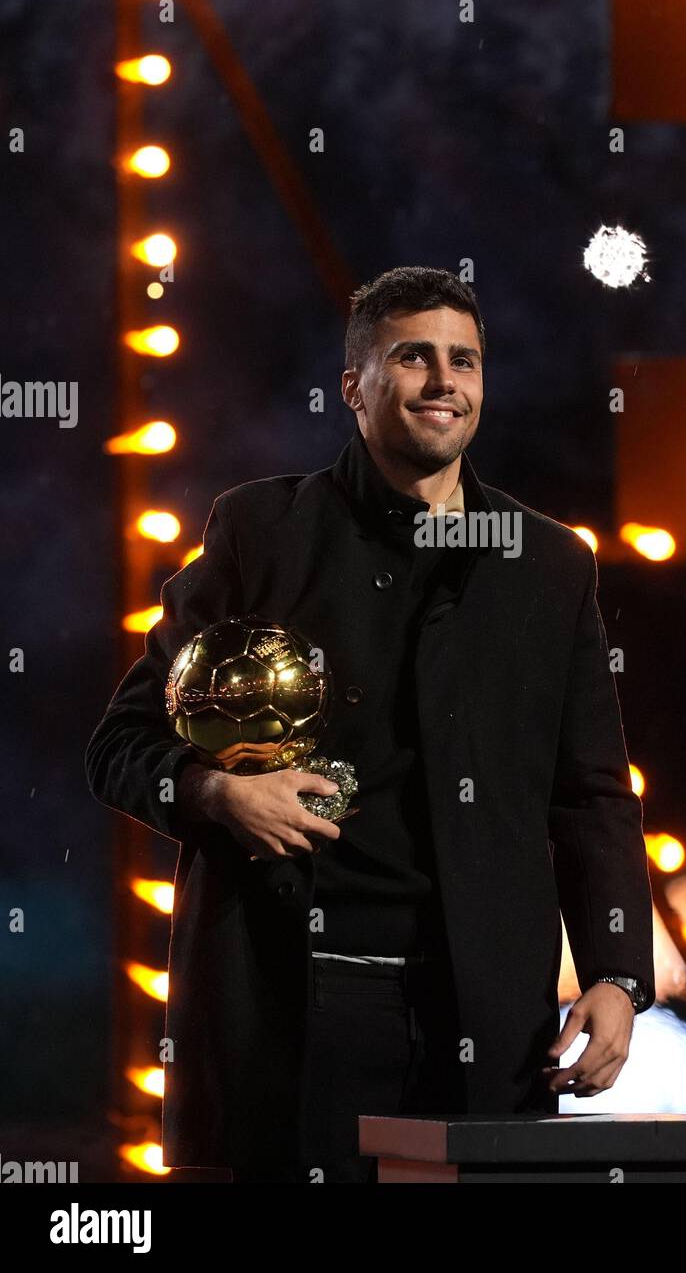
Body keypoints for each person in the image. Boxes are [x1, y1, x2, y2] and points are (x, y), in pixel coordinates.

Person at [85, 266, 655, 1183]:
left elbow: (591, 795)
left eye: (463, 361)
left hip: (485, 1016)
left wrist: (619, 974)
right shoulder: (259, 532)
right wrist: (218, 793)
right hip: (290, 1006)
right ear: (353, 386)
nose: (444, 381)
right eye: (413, 357)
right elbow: (119, 747)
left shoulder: (548, 564)